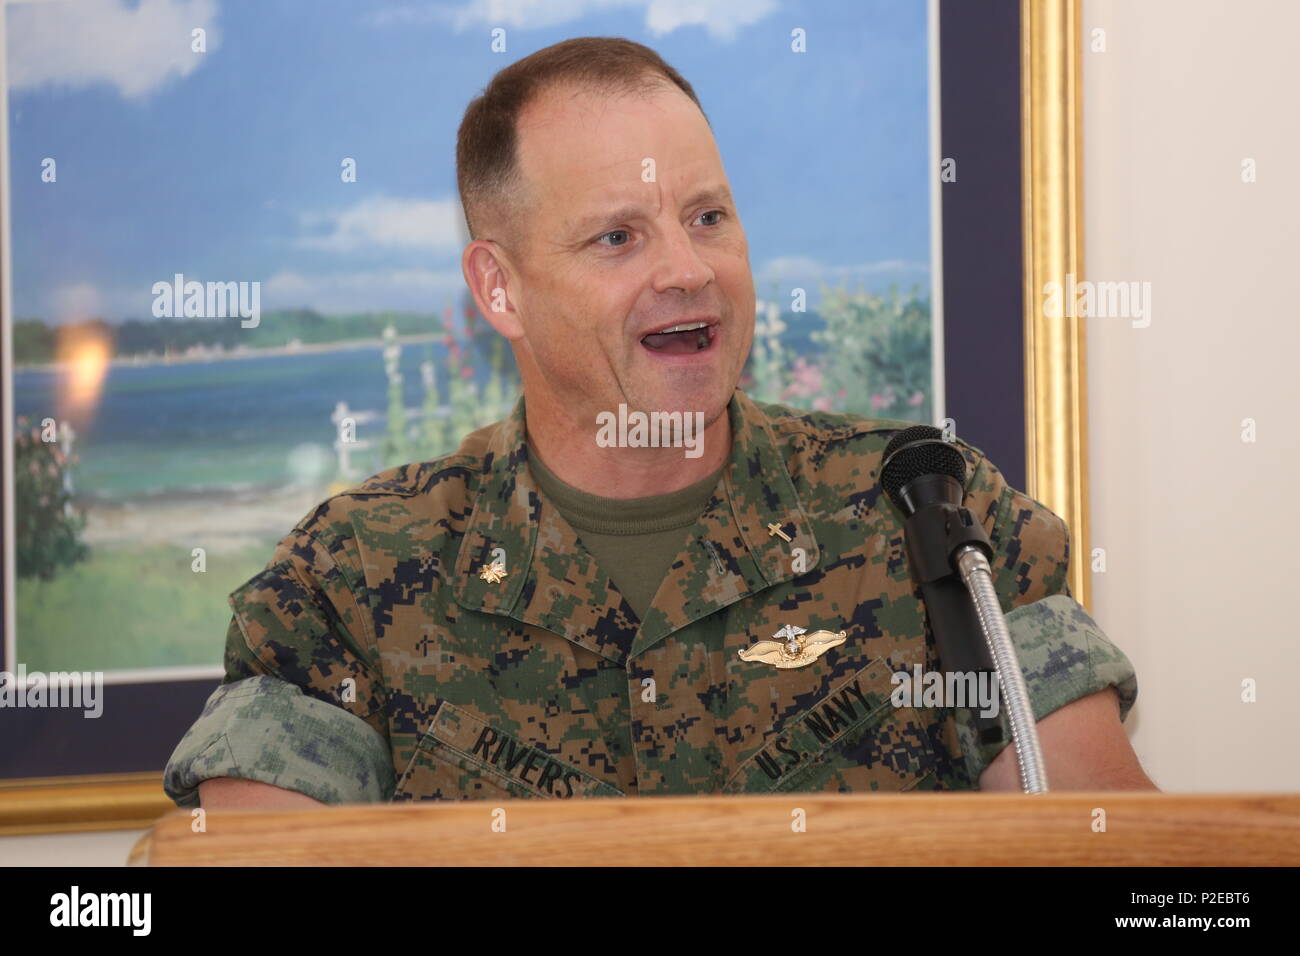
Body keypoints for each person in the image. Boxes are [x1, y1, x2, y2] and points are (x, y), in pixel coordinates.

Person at [165, 37, 1154, 810]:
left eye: (708, 217)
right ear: (499, 289)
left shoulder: (929, 514)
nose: (688, 269)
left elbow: (1116, 859)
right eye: (618, 236)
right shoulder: (351, 579)